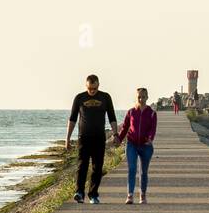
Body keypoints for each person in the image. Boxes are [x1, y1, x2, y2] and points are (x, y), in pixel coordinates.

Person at [67, 74, 117, 204]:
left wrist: (116, 134)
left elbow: (112, 117)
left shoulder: (105, 97)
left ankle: (93, 194)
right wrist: (67, 138)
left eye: (94, 88)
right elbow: (72, 119)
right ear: (86, 86)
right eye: (90, 88)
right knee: (82, 166)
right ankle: (79, 192)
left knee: (97, 167)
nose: (92, 91)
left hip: (99, 137)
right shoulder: (79, 98)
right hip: (84, 137)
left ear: (98, 85)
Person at [117, 87, 158, 204]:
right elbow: (125, 127)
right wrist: (119, 139)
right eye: (139, 97)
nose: (141, 99)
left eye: (143, 97)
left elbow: (153, 128)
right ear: (136, 97)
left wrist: (150, 138)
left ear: (147, 97)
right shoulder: (131, 112)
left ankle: (143, 195)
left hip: (146, 146)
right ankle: (130, 195)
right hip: (132, 144)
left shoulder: (152, 113)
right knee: (132, 169)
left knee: (143, 172)